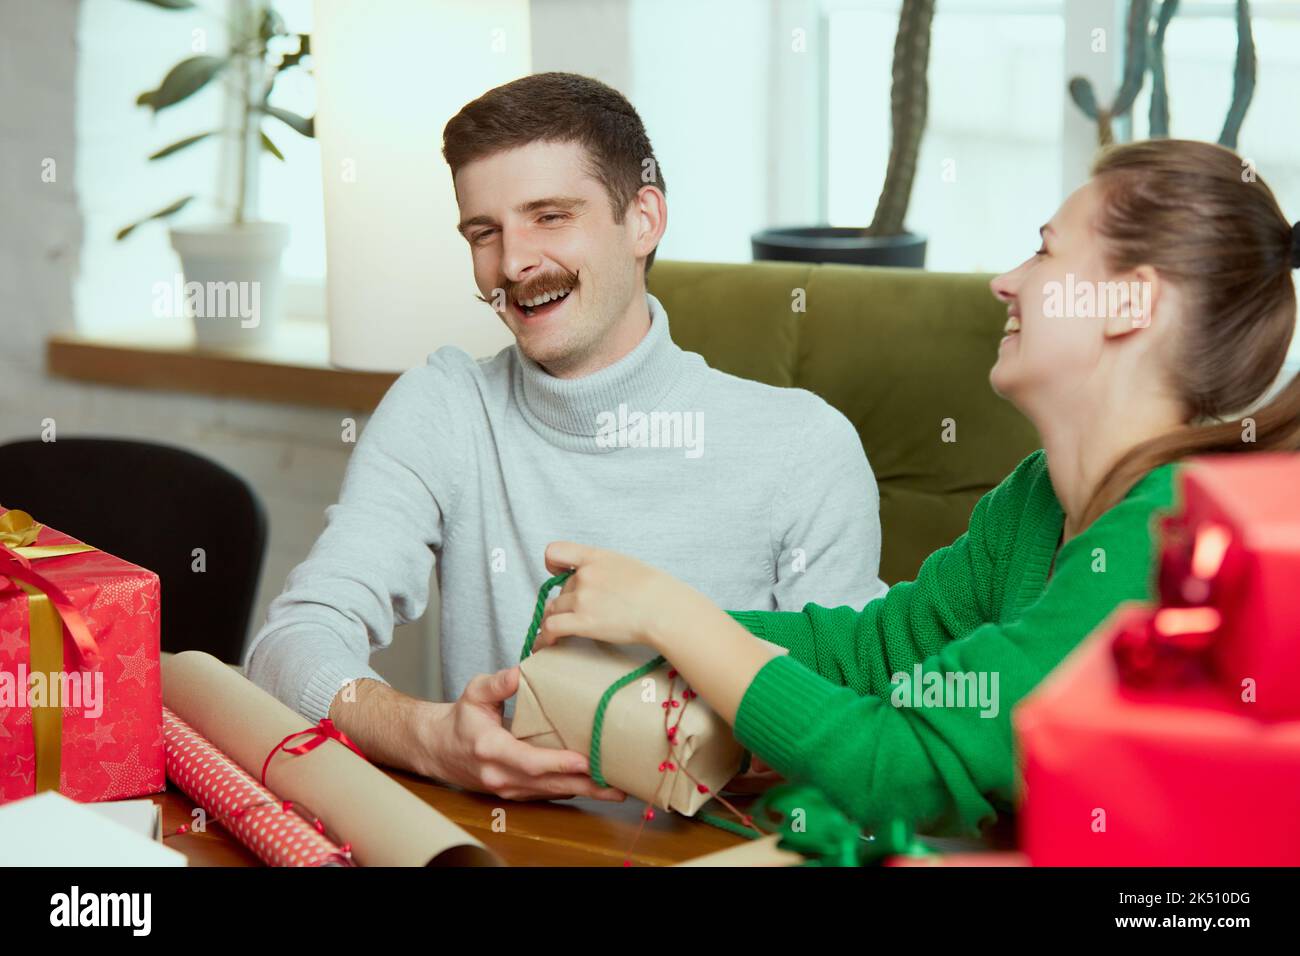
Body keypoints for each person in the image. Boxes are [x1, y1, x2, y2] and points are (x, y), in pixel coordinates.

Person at [532, 138, 1300, 835]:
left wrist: (676, 623)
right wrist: (654, 617)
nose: (1006, 283)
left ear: (1130, 303)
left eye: (1043, 254)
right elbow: (879, 649)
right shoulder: (1034, 499)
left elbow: (902, 766)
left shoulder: (1163, 542)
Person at [243, 73, 888, 804]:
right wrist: (431, 739)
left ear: (643, 219)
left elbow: (854, 731)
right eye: (484, 232)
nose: (513, 264)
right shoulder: (445, 407)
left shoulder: (803, 447)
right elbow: (289, 647)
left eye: (550, 217)